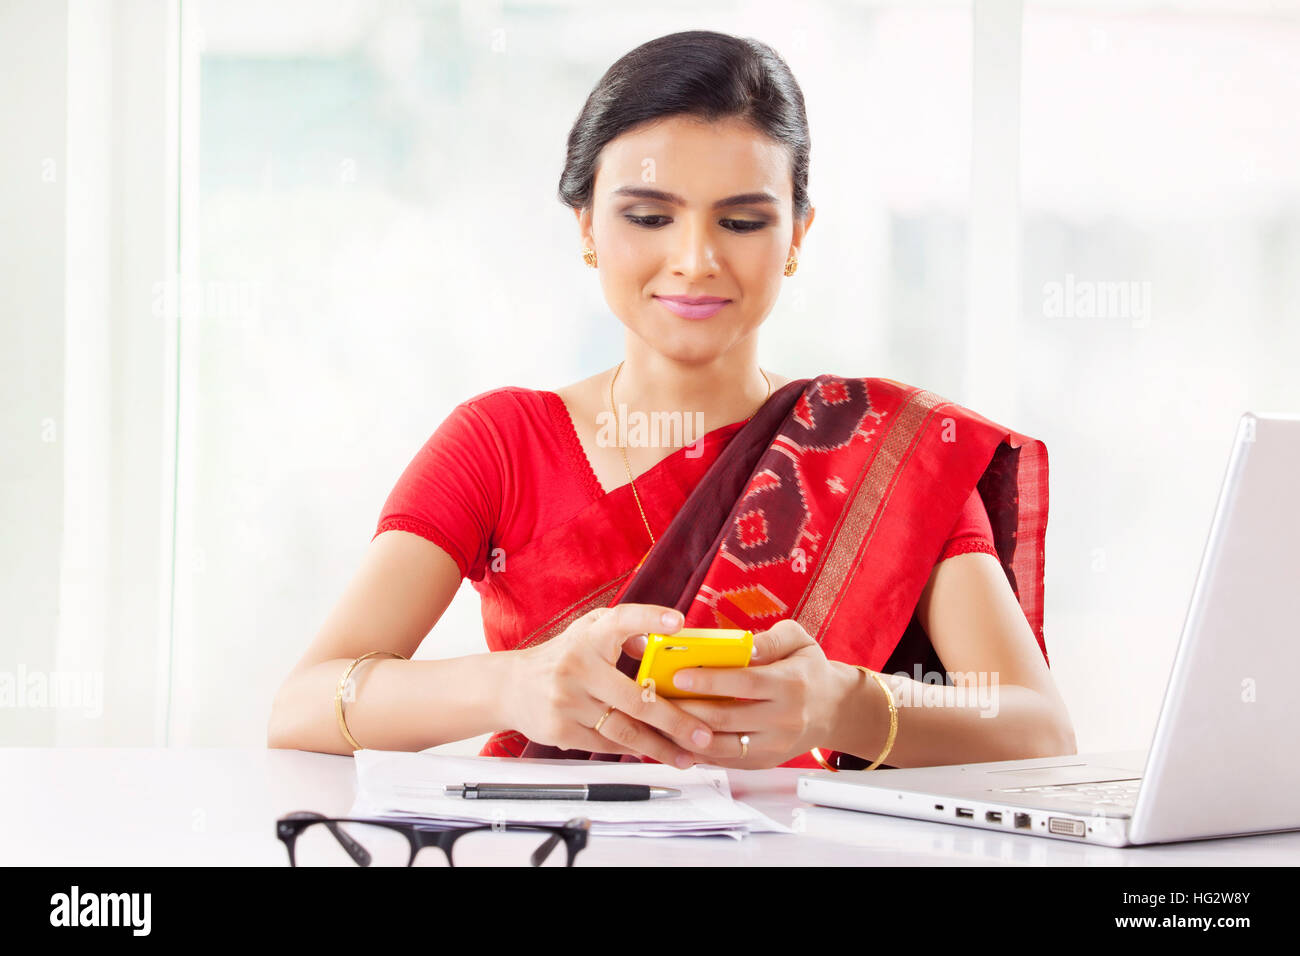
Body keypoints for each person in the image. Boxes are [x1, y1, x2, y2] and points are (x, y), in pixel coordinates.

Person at [267, 29, 1077, 772]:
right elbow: (303, 706)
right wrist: (514, 684)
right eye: (650, 216)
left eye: (743, 222)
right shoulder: (501, 441)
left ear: (798, 235)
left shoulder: (877, 453)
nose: (694, 260)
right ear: (586, 224)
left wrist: (842, 703)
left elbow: (1040, 731)